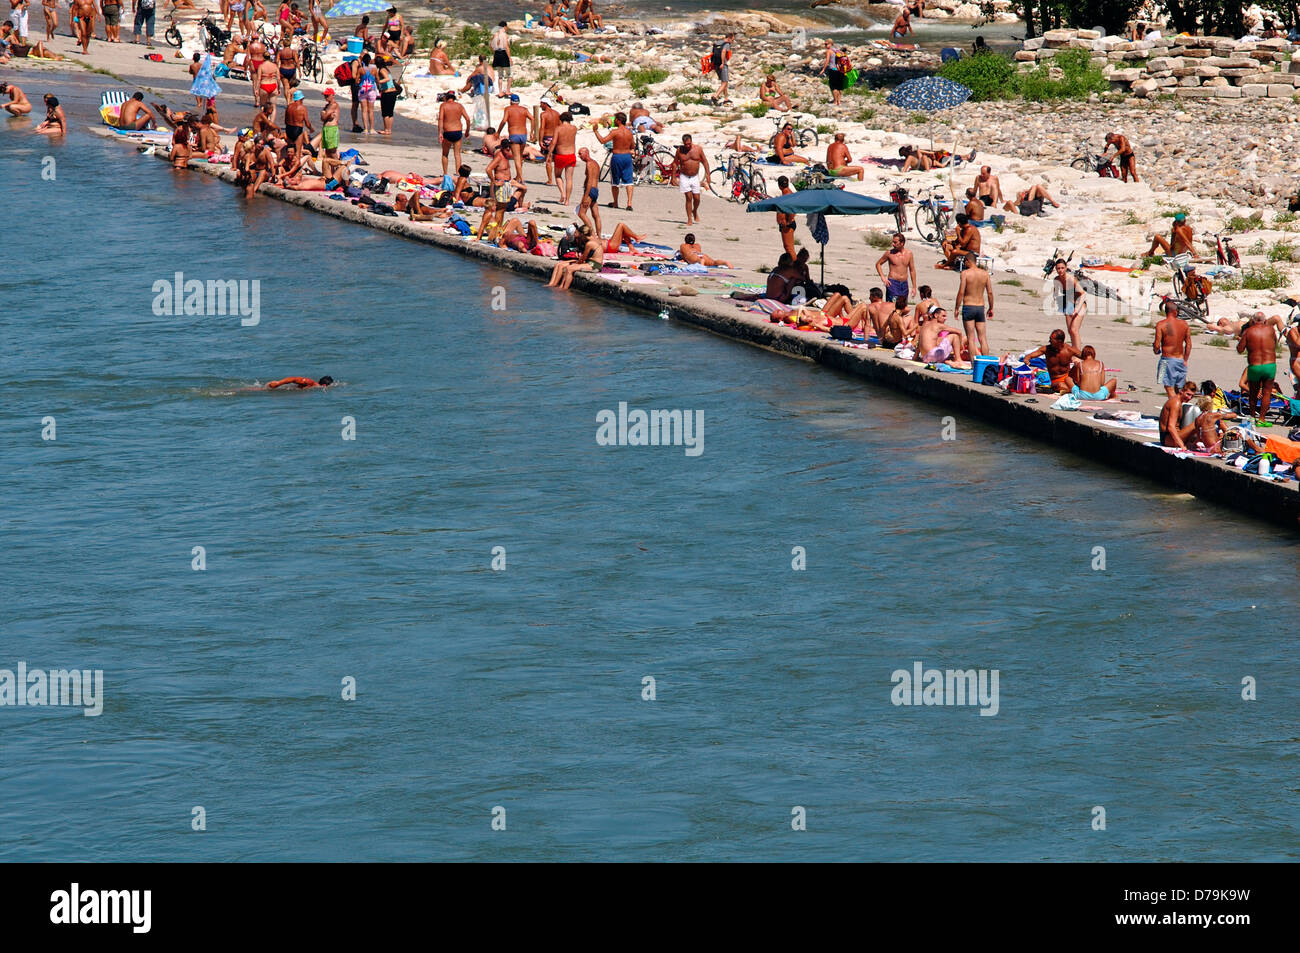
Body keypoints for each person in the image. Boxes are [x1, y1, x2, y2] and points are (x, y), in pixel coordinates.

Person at [1237, 313, 1278, 423]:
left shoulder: (1248, 332)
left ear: (1253, 321)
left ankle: (1252, 417)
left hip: (1255, 366)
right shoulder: (1271, 330)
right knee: (1267, 392)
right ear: (1265, 321)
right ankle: (1262, 419)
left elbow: (1240, 349)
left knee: (1253, 393)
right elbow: (1275, 343)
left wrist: (1241, 341)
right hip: (1269, 365)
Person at [954, 252, 993, 357]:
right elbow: (990, 293)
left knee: (971, 338)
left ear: (968, 261)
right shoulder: (985, 274)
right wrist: (991, 308)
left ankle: (973, 365)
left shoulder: (965, 274)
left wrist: (957, 308)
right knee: (982, 338)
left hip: (969, 306)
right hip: (980, 307)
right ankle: (985, 364)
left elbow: (961, 292)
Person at [595, 111, 635, 211]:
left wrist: (596, 131)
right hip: (627, 157)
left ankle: (616, 202)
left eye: (615, 119)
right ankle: (629, 203)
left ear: (618, 120)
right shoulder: (629, 132)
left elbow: (602, 141)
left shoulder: (615, 132)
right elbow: (633, 146)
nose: (614, 121)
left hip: (617, 156)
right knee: (629, 181)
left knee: (615, 181)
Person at [1152, 297, 1191, 399]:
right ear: (1175, 311)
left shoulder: (1161, 325)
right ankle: (1180, 410)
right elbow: (1189, 345)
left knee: (1168, 388)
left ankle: (1176, 410)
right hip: (1180, 360)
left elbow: (1156, 345)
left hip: (1166, 360)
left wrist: (1156, 351)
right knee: (1179, 388)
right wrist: (1185, 360)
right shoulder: (1184, 324)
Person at [1051, 257, 1087, 349]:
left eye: (1062, 268)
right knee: (1070, 330)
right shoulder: (1056, 279)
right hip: (1068, 304)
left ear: (1066, 268)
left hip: (1080, 304)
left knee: (1074, 330)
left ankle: (1078, 355)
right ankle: (1074, 351)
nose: (1060, 270)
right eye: (1058, 268)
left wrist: (1077, 309)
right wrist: (1056, 300)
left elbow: (1082, 294)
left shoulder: (1071, 279)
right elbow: (1055, 293)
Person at [676, 133, 711, 226]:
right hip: (684, 176)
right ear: (683, 143)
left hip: (695, 176)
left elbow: (705, 162)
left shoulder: (698, 149)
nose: (687, 146)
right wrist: (672, 178)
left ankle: (694, 211)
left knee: (697, 198)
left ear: (691, 142)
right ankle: (689, 219)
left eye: (689, 144)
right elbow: (675, 163)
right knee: (688, 198)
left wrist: (708, 175)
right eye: (686, 144)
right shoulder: (679, 150)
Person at [496, 93, 531, 182]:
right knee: (520, 157)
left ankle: (521, 178)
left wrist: (498, 132)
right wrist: (533, 132)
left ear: (511, 101)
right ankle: (518, 176)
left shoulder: (508, 109)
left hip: (514, 134)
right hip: (523, 135)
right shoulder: (524, 109)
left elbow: (504, 120)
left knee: (516, 158)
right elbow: (533, 118)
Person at [547, 109, 578, 204]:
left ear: (561, 119)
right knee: (569, 179)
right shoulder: (574, 128)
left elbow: (553, 142)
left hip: (561, 155)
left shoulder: (558, 128)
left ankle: (563, 194)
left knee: (557, 175)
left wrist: (549, 154)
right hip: (571, 155)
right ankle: (567, 200)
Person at [876, 233, 916, 303]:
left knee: (902, 306)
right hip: (893, 283)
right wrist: (883, 277)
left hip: (904, 284)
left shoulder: (909, 254)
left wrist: (914, 287)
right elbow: (878, 264)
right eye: (893, 242)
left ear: (902, 243)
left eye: (895, 242)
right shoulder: (889, 253)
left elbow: (912, 270)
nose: (893, 244)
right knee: (892, 305)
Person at [1160, 381, 1199, 449]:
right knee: (1198, 422)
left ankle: (1192, 443)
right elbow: (1170, 426)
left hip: (1174, 436)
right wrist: (1181, 444)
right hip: (1167, 439)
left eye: (1192, 396)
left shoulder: (1178, 401)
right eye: (1188, 394)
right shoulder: (1176, 403)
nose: (1189, 398)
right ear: (1181, 391)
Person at [576, 146, 602, 237]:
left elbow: (590, 181)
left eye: (580, 153)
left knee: (581, 213)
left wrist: (585, 197)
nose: (579, 156)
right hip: (595, 190)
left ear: (586, 153)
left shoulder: (589, 164)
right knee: (596, 215)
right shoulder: (595, 163)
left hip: (590, 190)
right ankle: (599, 235)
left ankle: (593, 234)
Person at [818, 38, 848, 105]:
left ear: (830, 44)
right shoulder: (837, 50)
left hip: (833, 70)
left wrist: (823, 69)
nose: (825, 46)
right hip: (840, 70)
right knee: (839, 86)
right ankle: (839, 101)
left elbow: (827, 61)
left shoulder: (829, 51)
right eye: (824, 44)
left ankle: (835, 101)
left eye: (826, 44)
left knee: (833, 86)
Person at [538, 100, 560, 185]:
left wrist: (540, 140)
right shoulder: (557, 113)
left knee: (548, 159)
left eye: (541, 104)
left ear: (545, 104)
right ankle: (558, 178)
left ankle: (550, 180)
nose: (540, 106)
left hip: (547, 138)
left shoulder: (543, 115)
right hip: (556, 137)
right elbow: (560, 126)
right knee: (557, 159)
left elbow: (542, 128)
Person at [775, 175, 796, 258]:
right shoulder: (787, 193)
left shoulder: (787, 195)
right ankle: (793, 267)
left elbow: (792, 210)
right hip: (786, 224)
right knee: (788, 248)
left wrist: (788, 221)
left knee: (789, 248)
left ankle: (796, 268)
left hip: (787, 224)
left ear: (779, 185)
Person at [376, 56, 398, 135]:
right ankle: (389, 130)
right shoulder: (386, 69)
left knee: (385, 113)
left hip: (387, 93)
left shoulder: (381, 70)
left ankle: (386, 130)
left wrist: (378, 81)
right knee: (390, 113)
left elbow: (387, 79)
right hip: (393, 92)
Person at [490, 20, 511, 98]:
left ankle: (500, 92)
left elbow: (491, 45)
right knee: (509, 74)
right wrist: (510, 58)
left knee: (500, 75)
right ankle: (508, 90)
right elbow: (506, 47)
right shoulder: (505, 35)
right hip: (503, 53)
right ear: (504, 27)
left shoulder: (495, 35)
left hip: (497, 54)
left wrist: (494, 52)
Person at [711, 32, 733, 104]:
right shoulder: (726, 44)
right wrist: (723, 63)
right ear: (729, 38)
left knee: (724, 81)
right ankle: (715, 95)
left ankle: (726, 98)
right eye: (732, 40)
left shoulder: (718, 42)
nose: (732, 42)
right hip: (722, 65)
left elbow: (713, 53)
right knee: (725, 82)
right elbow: (723, 52)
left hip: (716, 64)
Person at [268, 375, 334, 389]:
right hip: (275, 385)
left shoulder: (313, 386)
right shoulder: (311, 382)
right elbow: (293, 379)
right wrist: (278, 383)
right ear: (324, 385)